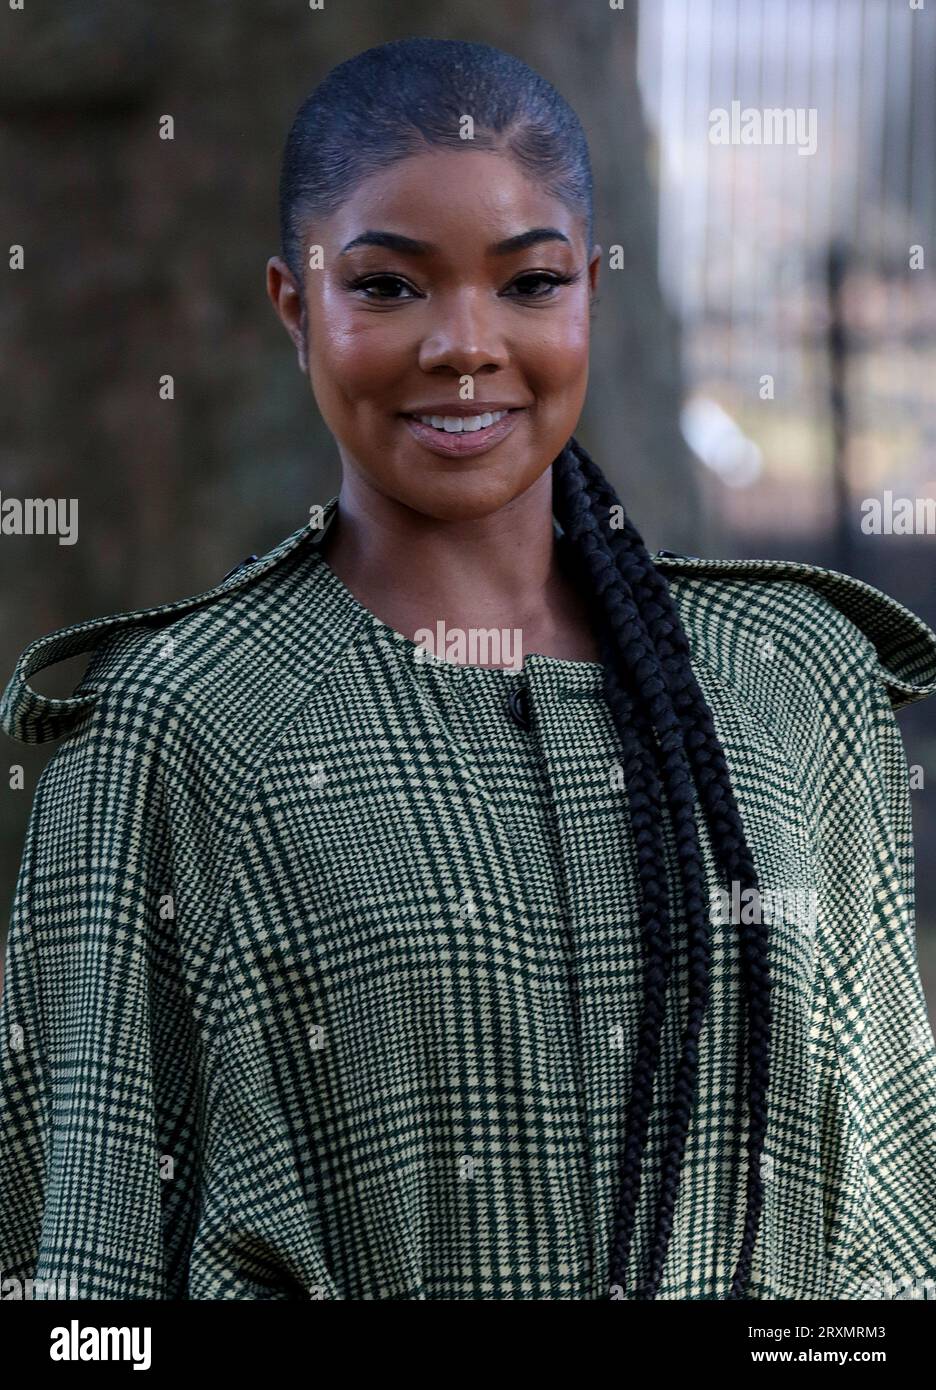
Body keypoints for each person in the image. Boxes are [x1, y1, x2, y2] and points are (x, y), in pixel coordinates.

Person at [1, 36, 935, 1302]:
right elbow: (83, 1299)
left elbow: (890, 1228)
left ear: (593, 291)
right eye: (388, 288)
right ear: (295, 304)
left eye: (529, 283)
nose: (464, 344)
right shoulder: (170, 732)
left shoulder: (788, 680)